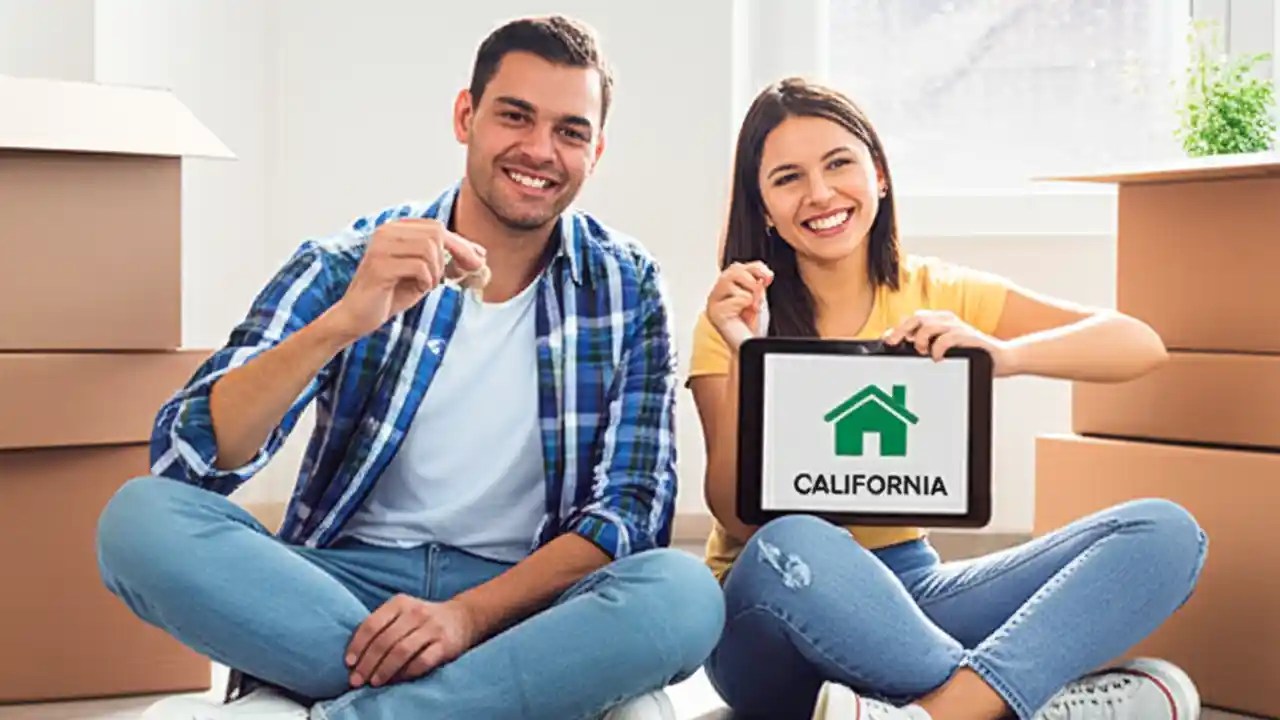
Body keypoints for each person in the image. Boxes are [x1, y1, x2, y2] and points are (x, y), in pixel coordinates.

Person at [95, 15, 725, 720]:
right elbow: (191, 461)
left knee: (684, 593)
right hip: (342, 589)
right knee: (137, 521)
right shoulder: (350, 263)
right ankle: (482, 699)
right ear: (466, 116)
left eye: (570, 131)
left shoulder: (627, 284)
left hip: (524, 604)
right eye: (515, 116)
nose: (540, 150)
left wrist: (463, 618)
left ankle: (364, 709)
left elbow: (630, 515)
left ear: (595, 151)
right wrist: (343, 324)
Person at [686, 77, 1208, 720]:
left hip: (910, 590)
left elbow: (1138, 343)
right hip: (773, 610)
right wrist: (749, 355)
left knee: (1163, 532)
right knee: (794, 537)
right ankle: (1014, 704)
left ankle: (938, 710)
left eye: (839, 163)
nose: (820, 194)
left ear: (878, 174)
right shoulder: (736, 314)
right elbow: (738, 518)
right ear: (763, 205)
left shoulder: (938, 290)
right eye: (788, 178)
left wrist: (1006, 356)